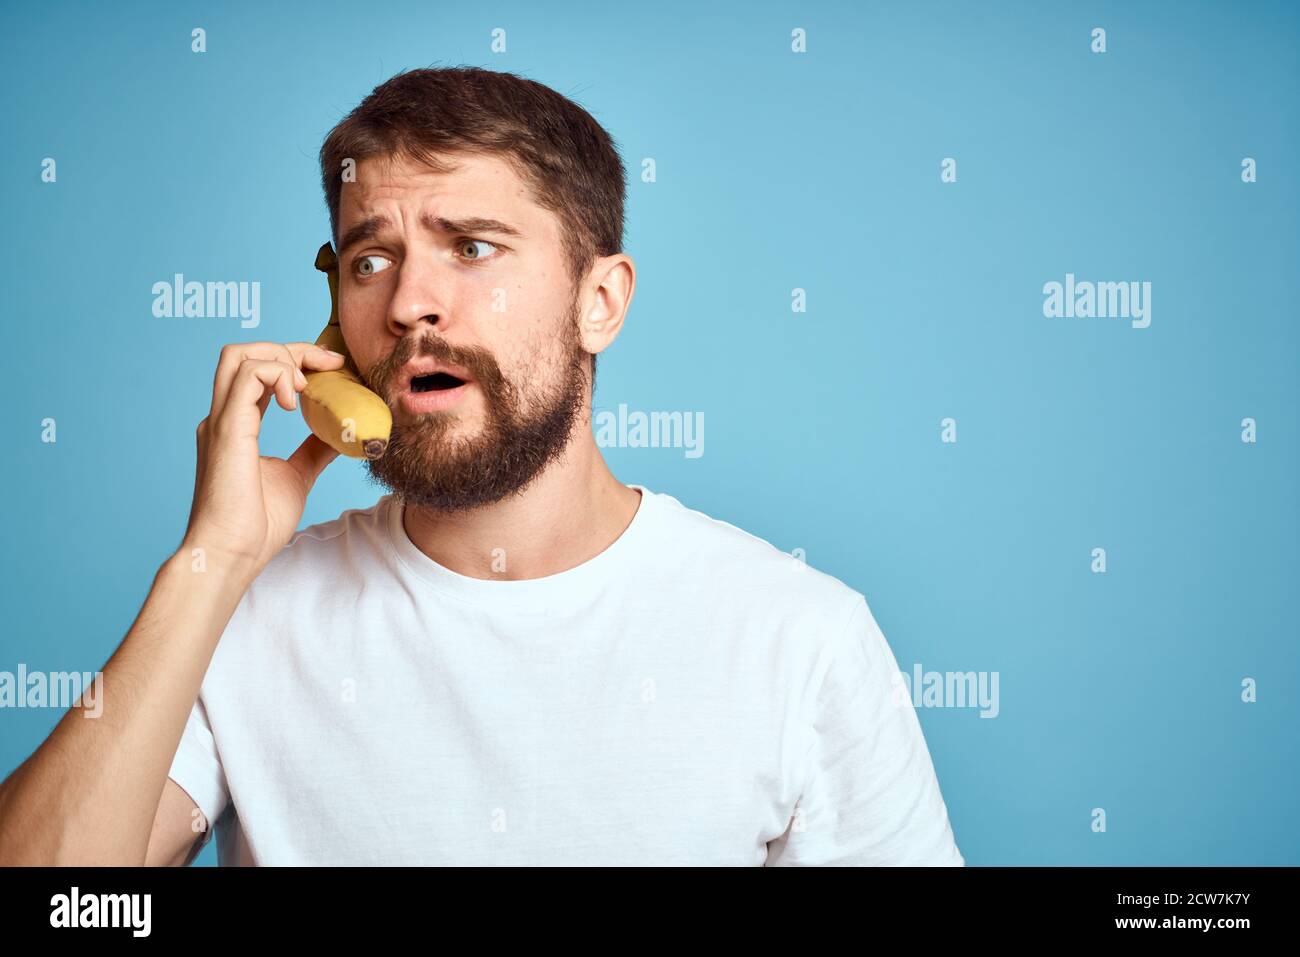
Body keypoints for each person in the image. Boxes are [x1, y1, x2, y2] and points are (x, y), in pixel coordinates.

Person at [0, 66, 963, 866]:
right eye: (370, 261)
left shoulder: (802, 640)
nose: (413, 300)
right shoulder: (243, 612)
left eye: (472, 247)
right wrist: (209, 561)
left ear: (600, 301)